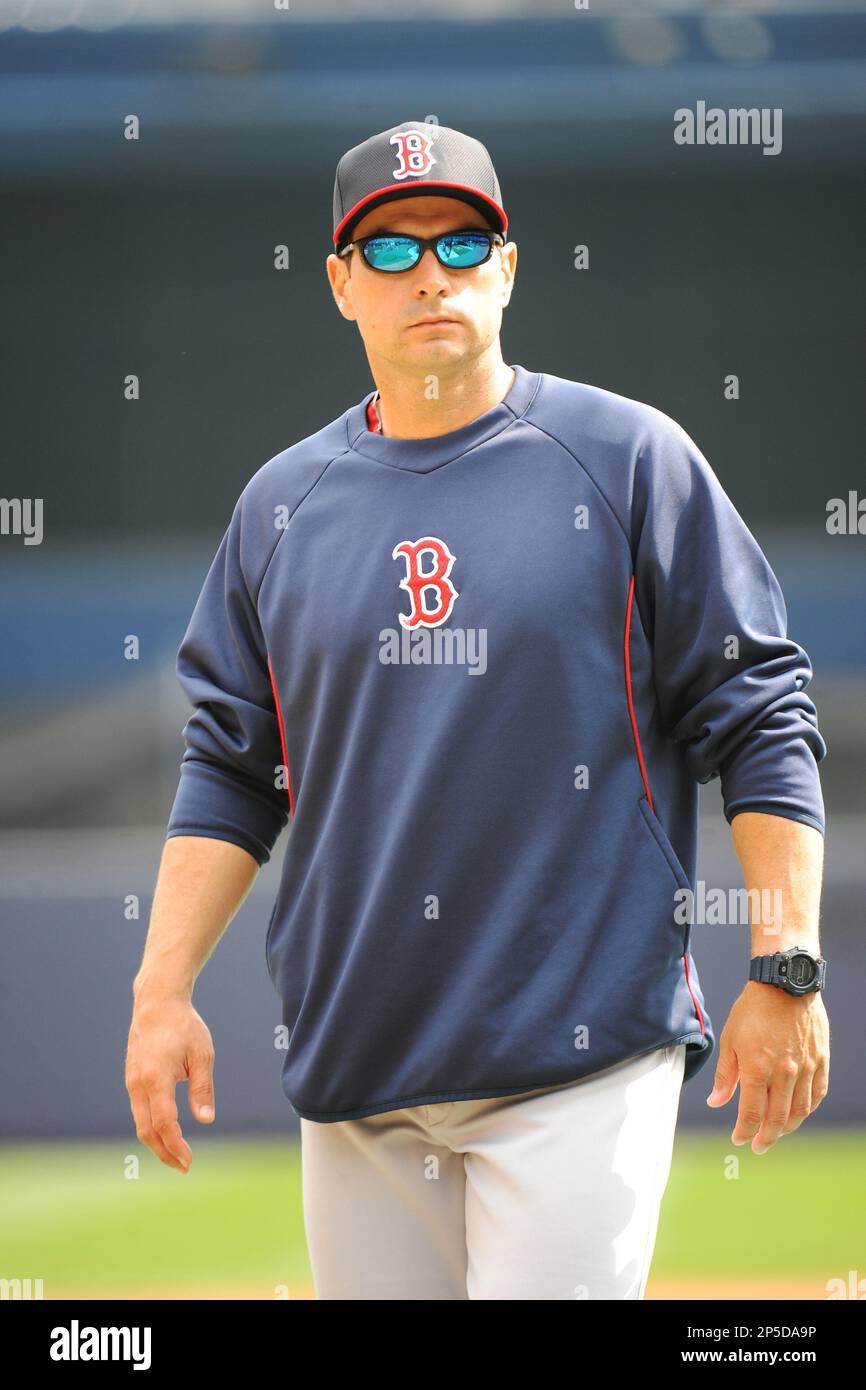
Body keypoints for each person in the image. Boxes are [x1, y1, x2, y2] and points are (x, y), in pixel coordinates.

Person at [126, 122, 830, 1300]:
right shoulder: (281, 507)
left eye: (461, 240)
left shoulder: (625, 460)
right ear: (341, 282)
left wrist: (786, 962)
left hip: (576, 1057)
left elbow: (759, 716)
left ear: (506, 266)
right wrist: (159, 994)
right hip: (359, 1068)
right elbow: (234, 769)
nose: (431, 272)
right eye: (389, 251)